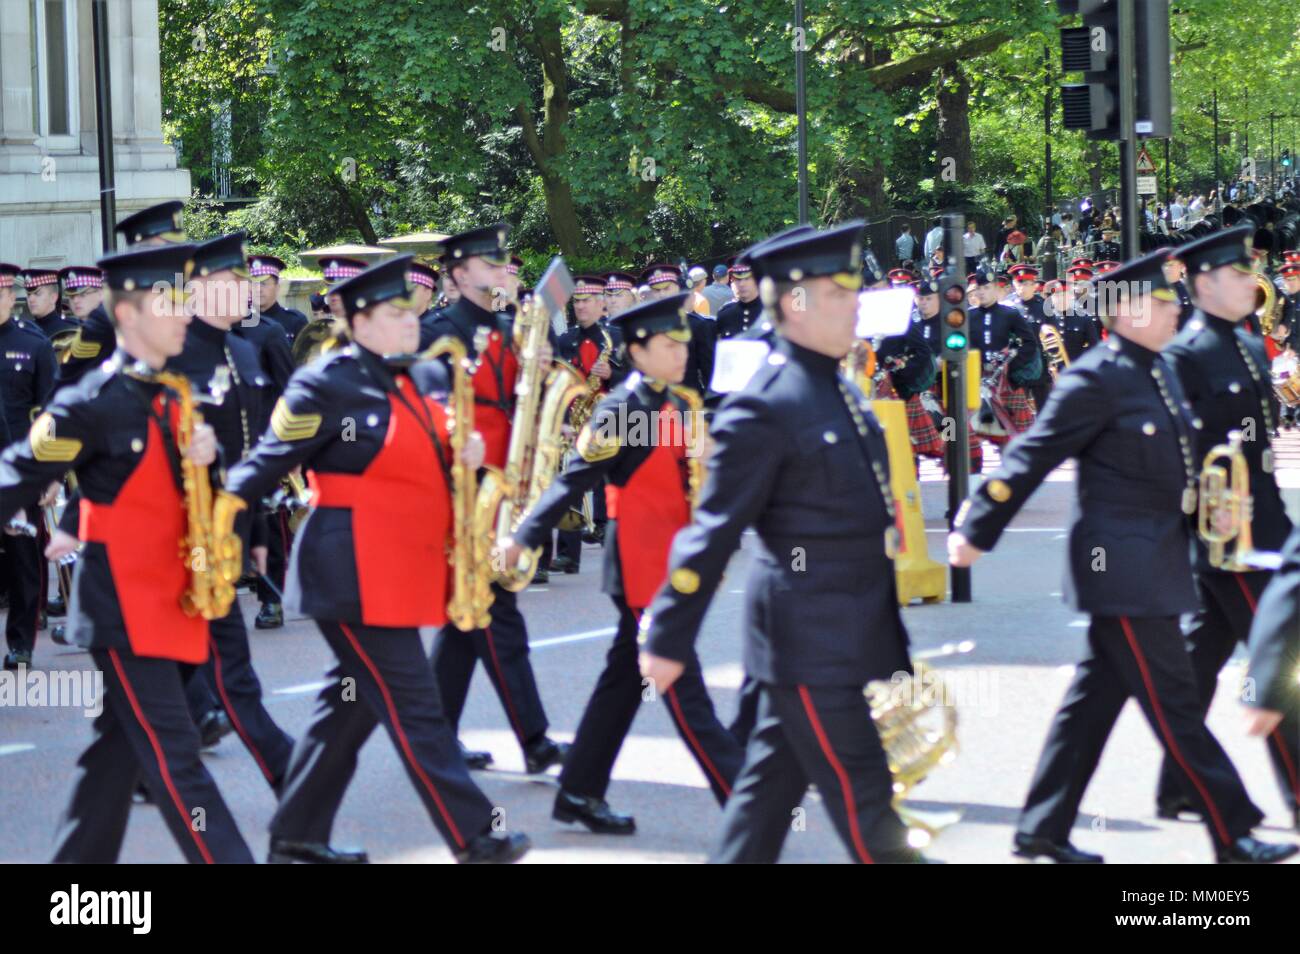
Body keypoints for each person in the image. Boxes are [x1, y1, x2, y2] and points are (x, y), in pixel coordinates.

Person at [948, 249, 1297, 865]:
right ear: (1132, 310)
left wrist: (1214, 514)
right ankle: (1233, 830)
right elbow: (1033, 456)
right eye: (1163, 301)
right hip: (1123, 568)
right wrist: (977, 526)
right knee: (1177, 705)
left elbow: (1187, 461)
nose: (1173, 309)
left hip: (1155, 561)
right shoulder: (1096, 378)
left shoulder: (1155, 371)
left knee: (1094, 703)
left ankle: (1042, 829)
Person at [219, 254, 530, 863]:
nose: (411, 321)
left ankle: (296, 837)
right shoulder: (324, 382)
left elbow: (425, 463)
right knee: (417, 705)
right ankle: (474, 837)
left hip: (400, 566)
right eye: (395, 314)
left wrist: (463, 455)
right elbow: (262, 467)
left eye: (411, 310)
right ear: (359, 321)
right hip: (350, 570)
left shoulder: (422, 377)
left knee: (350, 707)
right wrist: (230, 532)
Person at [638, 222, 923, 864]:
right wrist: (668, 635)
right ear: (795, 302)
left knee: (763, 804)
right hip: (809, 639)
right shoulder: (764, 404)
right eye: (841, 289)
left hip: (843, 629)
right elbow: (713, 531)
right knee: (872, 813)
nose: (858, 301)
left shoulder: (837, 387)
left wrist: (892, 649)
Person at [0, 243, 254, 863]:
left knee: (115, 758)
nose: (186, 316)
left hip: (175, 600)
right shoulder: (90, 403)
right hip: (126, 611)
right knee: (175, 755)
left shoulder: (175, 395)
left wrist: (208, 465)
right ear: (131, 313)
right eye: (171, 303)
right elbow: (16, 475)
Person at [503, 292, 743, 833]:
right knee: (683, 688)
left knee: (621, 684)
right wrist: (525, 536)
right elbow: (574, 480)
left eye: (682, 341)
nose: (680, 351)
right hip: (640, 569)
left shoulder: (680, 404)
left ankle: (579, 793)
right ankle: (751, 805)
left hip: (674, 564)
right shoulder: (622, 410)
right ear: (637, 350)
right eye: (667, 343)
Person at [1155, 224, 1299, 828]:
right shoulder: (1184, 354)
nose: (1252, 282)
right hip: (1229, 534)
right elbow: (1174, 450)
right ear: (1206, 281)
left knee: (1196, 662)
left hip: (1262, 523)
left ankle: (1180, 785)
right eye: (1240, 273)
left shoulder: (1243, 342)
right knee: (1279, 658)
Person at [424, 224, 568, 774]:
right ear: (459, 274)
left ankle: (433, 739)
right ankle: (534, 741)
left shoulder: (514, 330)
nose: (503, 270)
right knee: (495, 610)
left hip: (508, 485)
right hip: (463, 494)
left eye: (504, 263)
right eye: (490, 264)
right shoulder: (435, 333)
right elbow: (424, 412)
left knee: (468, 618)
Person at [168, 232, 296, 791]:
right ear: (195, 288)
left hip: (223, 536)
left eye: (245, 280)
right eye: (229, 280)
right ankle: (295, 782)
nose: (243, 290)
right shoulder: (171, 349)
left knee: (169, 671)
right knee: (227, 672)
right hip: (177, 537)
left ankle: (140, 762)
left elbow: (249, 447)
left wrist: (255, 530)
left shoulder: (242, 350)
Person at [0, 261, 56, 670]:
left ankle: (21, 643)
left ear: (10, 296)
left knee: (22, 560)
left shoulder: (33, 344)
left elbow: (50, 414)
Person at [640, 264, 715, 395]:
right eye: (657, 290)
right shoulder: (642, 328)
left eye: (667, 288)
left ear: (677, 289)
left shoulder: (697, 325)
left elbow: (709, 373)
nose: (662, 294)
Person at [249, 254, 309, 342]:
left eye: (264, 283)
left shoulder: (295, 321)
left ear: (277, 287)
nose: (258, 289)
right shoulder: (242, 323)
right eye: (254, 283)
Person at [713, 256, 762, 340]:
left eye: (747, 279)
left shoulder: (772, 310)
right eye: (737, 279)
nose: (741, 284)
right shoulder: (725, 315)